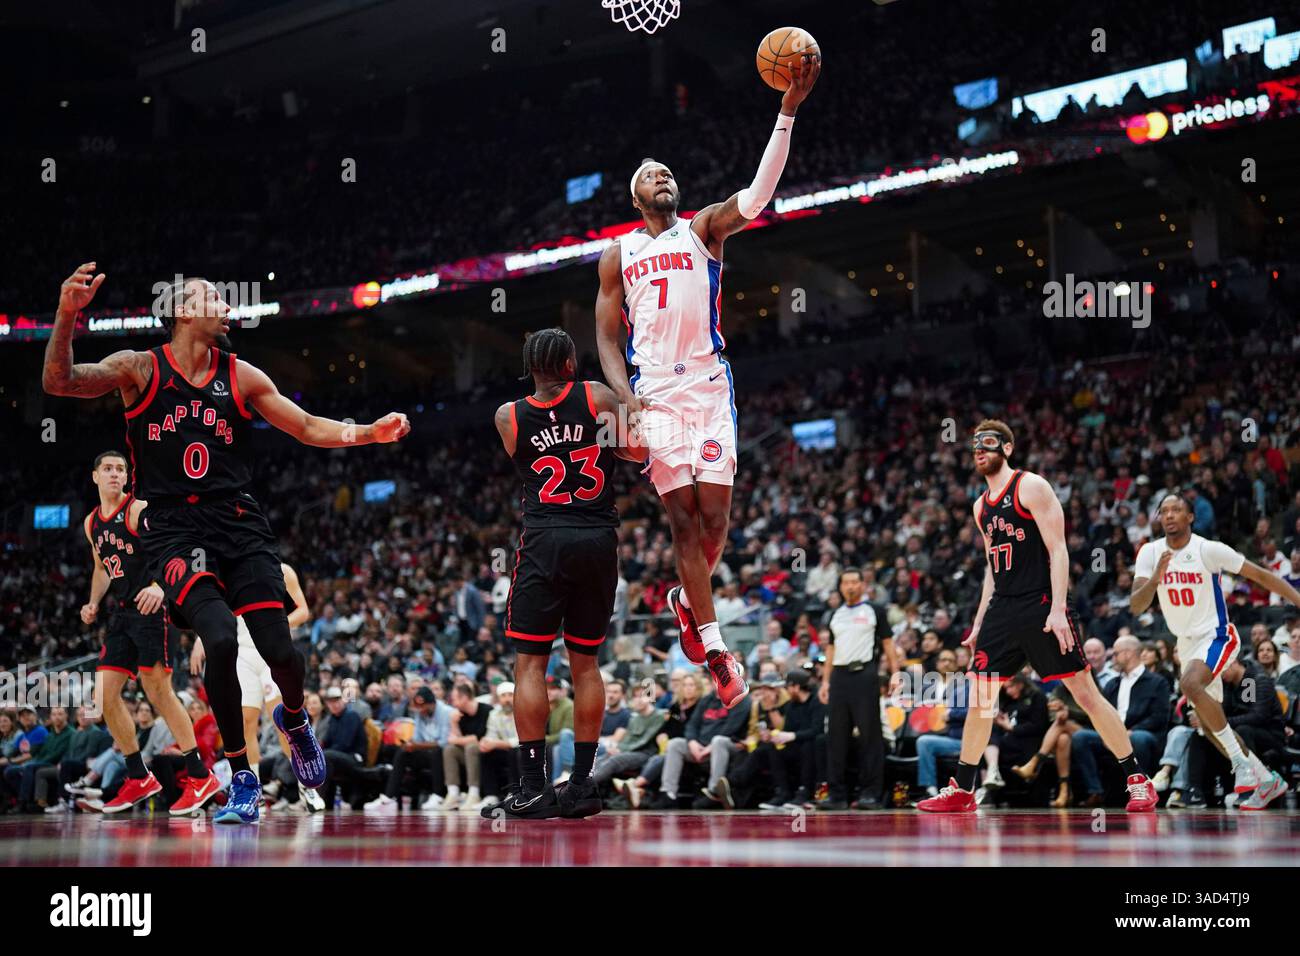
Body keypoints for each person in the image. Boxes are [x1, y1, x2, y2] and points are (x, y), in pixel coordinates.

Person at [42, 267, 410, 824]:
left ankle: (294, 719)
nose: (226, 304)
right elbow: (61, 381)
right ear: (182, 312)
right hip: (174, 529)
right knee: (217, 638)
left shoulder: (240, 374)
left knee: (279, 650)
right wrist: (67, 313)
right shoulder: (140, 368)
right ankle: (241, 776)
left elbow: (306, 426)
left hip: (237, 522)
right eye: (213, 297)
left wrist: (367, 433)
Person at [594, 54, 822, 711]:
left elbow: (756, 197)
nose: (662, 177)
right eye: (651, 175)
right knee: (683, 522)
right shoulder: (618, 253)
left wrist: (786, 112)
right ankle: (718, 650)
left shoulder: (702, 230)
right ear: (636, 197)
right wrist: (626, 396)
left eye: (667, 172)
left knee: (716, 519)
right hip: (657, 395)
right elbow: (605, 336)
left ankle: (685, 599)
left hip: (709, 386)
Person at [920, 421, 1158, 813]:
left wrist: (1059, 608)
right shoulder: (980, 507)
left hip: (1042, 602)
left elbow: (1058, 549)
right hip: (1003, 608)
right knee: (980, 697)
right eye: (975, 445)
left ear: (1008, 448)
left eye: (989, 443)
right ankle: (963, 790)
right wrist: (979, 622)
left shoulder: (1031, 486)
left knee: (1085, 693)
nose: (980, 450)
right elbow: (992, 568)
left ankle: (1137, 779)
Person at [484, 328, 644, 820]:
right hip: (597, 538)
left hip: (545, 539)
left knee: (530, 664)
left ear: (529, 368)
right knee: (586, 664)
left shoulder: (508, 417)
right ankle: (581, 786)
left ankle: (534, 788)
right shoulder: (597, 396)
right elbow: (635, 452)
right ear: (571, 364)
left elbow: (528, 457)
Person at [1131, 493, 1297, 809]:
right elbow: (1137, 605)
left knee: (1189, 684)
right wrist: (1155, 578)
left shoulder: (1208, 549)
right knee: (1207, 725)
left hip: (1216, 635)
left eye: (1176, 509)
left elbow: (1260, 575)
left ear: (1191, 517)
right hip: (1186, 642)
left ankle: (1240, 765)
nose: (1169, 515)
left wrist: (1298, 600)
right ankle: (1267, 780)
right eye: (1164, 511)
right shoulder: (1150, 552)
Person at [79, 449, 219, 815]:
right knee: (103, 696)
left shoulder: (138, 510)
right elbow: (101, 568)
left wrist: (160, 586)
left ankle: (200, 774)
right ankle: (138, 776)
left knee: (157, 691)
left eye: (120, 469)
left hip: (154, 609)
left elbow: (177, 549)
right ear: (95, 476)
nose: (114, 474)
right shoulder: (92, 523)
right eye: (107, 468)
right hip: (123, 613)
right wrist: (93, 602)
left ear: (127, 477)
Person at [191, 561, 321, 811]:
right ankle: (254, 791)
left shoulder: (282, 570)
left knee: (282, 721)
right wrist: (200, 637)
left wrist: (273, 625)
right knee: (245, 723)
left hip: (270, 647)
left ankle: (307, 786)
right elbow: (215, 611)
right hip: (242, 653)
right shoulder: (227, 570)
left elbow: (303, 611)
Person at [818, 568, 896, 810]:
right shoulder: (835, 614)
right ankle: (836, 795)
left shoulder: (875, 610)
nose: (850, 586)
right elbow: (831, 649)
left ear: (862, 585)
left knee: (870, 735)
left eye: (854, 582)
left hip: (865, 674)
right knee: (836, 736)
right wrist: (825, 681)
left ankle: (871, 793)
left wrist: (895, 673)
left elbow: (888, 643)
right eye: (846, 583)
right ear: (840, 587)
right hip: (839, 677)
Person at [1068, 636, 1170, 806]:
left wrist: (1129, 731)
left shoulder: (1157, 682)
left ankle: (1141, 789)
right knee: (1081, 737)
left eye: (1116, 654)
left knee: (1138, 738)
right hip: (1113, 733)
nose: (1113, 658)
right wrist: (1108, 733)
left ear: (1129, 653)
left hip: (1142, 733)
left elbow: (1159, 717)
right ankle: (1095, 791)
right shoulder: (1112, 683)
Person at [366, 686, 453, 812]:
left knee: (436, 751)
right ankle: (389, 798)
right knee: (402, 752)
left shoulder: (446, 712)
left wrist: (417, 745)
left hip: (445, 754)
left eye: (423, 707)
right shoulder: (419, 713)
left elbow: (443, 743)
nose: (420, 710)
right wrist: (409, 744)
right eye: (418, 707)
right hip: (426, 752)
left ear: (432, 703)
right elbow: (417, 738)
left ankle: (438, 796)